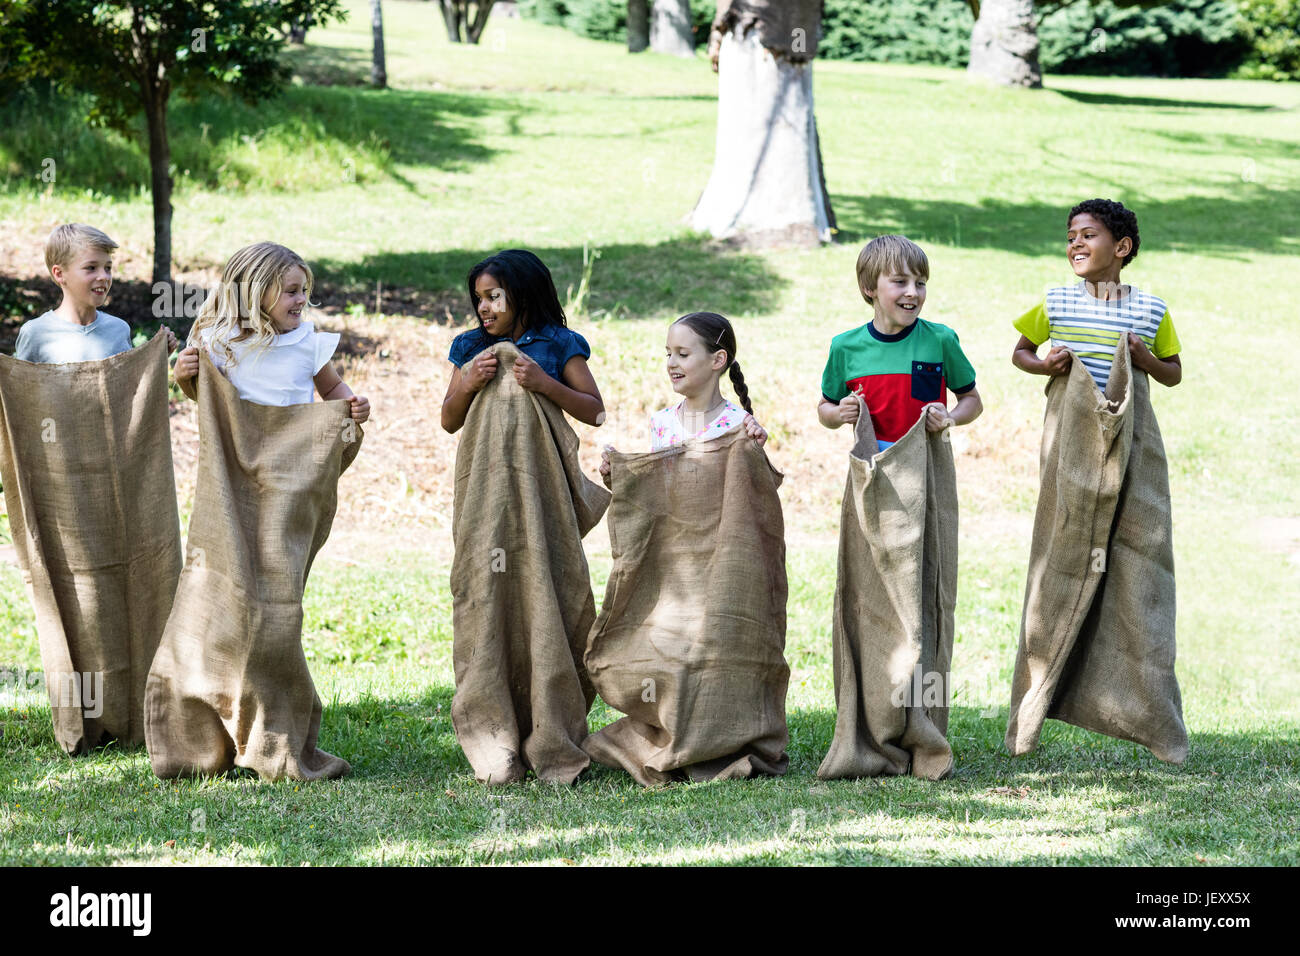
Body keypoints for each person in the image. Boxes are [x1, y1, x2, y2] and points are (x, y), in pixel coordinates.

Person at [173, 242, 369, 422]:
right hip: (237, 451)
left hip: (292, 449)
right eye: (292, 292)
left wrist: (350, 406)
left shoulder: (306, 343)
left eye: (303, 290)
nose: (302, 299)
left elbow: (332, 388)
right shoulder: (224, 342)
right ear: (254, 296)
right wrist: (182, 375)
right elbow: (206, 397)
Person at [818, 234, 981, 447]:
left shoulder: (941, 340)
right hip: (872, 467)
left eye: (920, 283)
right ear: (869, 287)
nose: (913, 292)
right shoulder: (845, 347)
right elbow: (824, 409)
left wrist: (950, 418)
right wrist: (839, 413)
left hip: (927, 463)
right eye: (900, 282)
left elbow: (973, 401)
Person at [1011, 198, 1182, 390]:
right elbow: (1021, 352)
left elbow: (1174, 375)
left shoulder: (1152, 309)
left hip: (1127, 420)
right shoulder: (1057, 302)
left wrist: (1147, 361)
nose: (1076, 243)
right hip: (1069, 418)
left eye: (1088, 235)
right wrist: (1043, 366)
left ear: (1121, 247)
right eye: (1071, 238)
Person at [441, 248, 604, 432]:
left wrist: (545, 384)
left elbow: (597, 415)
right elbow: (448, 423)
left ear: (523, 297)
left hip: (540, 460)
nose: (482, 308)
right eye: (479, 298)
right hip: (486, 459)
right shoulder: (470, 345)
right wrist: (468, 384)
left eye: (493, 297)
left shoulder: (559, 343)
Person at [600, 311, 766, 481]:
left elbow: (749, 497)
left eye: (683, 354)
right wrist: (620, 475)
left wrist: (755, 455)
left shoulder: (740, 425)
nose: (671, 363)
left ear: (717, 360)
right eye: (669, 354)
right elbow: (657, 489)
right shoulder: (662, 422)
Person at [15, 223, 176, 362]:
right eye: (91, 268)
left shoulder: (119, 330)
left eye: (108, 268)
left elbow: (129, 389)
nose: (104, 276)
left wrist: (157, 357)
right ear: (59, 274)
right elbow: (23, 392)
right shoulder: (36, 334)